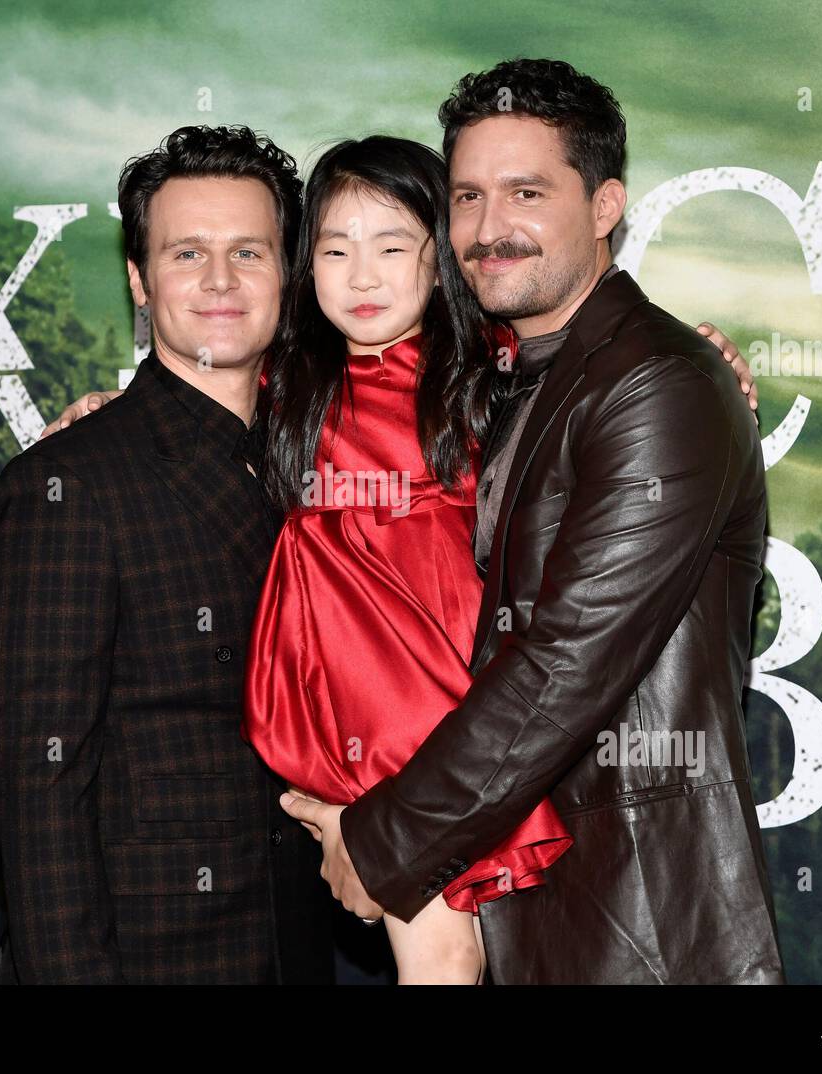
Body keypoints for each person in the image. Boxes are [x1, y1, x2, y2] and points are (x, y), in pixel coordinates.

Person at [281, 57, 788, 984]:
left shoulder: (659, 382)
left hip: (634, 923)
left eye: (526, 192)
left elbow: (563, 665)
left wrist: (384, 840)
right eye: (467, 197)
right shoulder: (498, 375)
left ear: (605, 208)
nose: (488, 228)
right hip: (513, 907)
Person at [0, 125, 333, 984]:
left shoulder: (325, 463)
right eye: (186, 253)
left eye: (248, 251)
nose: (220, 280)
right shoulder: (67, 486)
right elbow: (38, 794)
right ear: (139, 280)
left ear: (288, 273)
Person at [241, 136, 573, 985]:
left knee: (454, 946)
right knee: (438, 942)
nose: (362, 276)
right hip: (345, 670)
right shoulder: (285, 378)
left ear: (439, 267)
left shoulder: (481, 371)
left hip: (437, 677)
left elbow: (602, 373)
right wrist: (96, 405)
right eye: (335, 250)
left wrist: (708, 353)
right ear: (302, 264)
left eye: (392, 249)